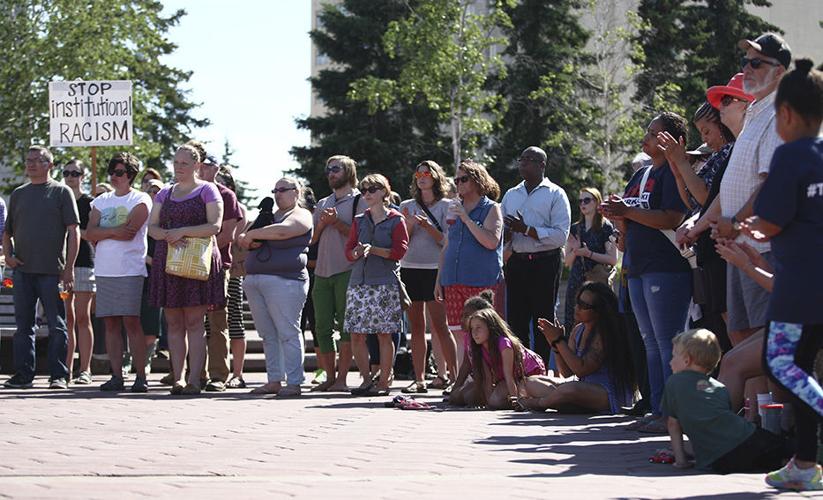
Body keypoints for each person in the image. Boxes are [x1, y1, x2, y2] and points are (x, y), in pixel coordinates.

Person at [744, 58, 823, 491]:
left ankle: (807, 458)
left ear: (787, 115)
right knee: (802, 367)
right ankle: (805, 463)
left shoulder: (791, 155)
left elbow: (770, 222)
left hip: (798, 292)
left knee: (780, 362)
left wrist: (746, 232)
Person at [690, 33, 790, 347]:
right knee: (741, 337)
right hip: (739, 248)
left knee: (761, 341)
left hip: (763, 249)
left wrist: (734, 224)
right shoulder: (755, 117)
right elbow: (733, 188)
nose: (747, 68)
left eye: (757, 62)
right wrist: (702, 225)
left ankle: (777, 400)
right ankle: (755, 401)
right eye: (747, 61)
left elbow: (773, 184)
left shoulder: (777, 116)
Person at [600, 112, 692, 434]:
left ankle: (672, 414)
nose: (646, 138)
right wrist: (616, 215)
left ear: (673, 140)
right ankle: (657, 409)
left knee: (667, 343)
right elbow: (630, 217)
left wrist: (628, 211)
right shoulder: (640, 176)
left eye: (654, 134)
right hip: (636, 266)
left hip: (665, 267)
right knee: (650, 342)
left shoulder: (674, 171)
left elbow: (672, 217)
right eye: (648, 132)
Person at [670, 75, 754, 352]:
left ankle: (766, 395)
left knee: (749, 338)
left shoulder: (737, 148)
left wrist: (681, 163)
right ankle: (751, 396)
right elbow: (701, 203)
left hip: (743, 249)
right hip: (718, 248)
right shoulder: (734, 149)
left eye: (728, 100)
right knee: (735, 334)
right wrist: (678, 168)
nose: (722, 106)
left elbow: (707, 197)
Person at [148, 145, 224, 395]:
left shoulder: (207, 190)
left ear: (196, 165)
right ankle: (177, 378)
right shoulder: (164, 193)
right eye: (175, 162)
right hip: (168, 261)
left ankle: (194, 379)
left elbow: (215, 226)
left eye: (183, 163)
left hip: (196, 262)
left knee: (194, 322)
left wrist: (183, 231)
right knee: (173, 322)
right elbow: (152, 227)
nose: (178, 167)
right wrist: (168, 235)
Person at [3, 146, 79, 390]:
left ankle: (58, 375)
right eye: (29, 160)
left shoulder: (61, 192)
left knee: (57, 324)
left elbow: (73, 231)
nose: (32, 164)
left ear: (50, 165)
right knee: (24, 326)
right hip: (23, 272)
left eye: (38, 160)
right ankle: (23, 375)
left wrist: (69, 268)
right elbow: (7, 231)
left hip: (52, 272)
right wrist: (9, 255)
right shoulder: (18, 194)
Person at [663, 329, 789, 473]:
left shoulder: (673, 383)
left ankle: (781, 461)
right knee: (781, 449)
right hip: (749, 438)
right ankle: (791, 460)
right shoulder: (719, 387)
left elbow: (673, 424)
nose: (670, 362)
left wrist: (681, 461)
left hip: (718, 460)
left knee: (758, 460)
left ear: (687, 360)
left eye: (673, 357)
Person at [238, 177, 312, 397]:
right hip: (255, 279)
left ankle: (295, 381)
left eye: (283, 190)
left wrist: (253, 234)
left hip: (286, 280)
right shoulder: (267, 215)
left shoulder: (302, 214)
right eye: (275, 190)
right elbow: (242, 240)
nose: (277, 194)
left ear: (296, 192)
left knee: (288, 332)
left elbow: (283, 231)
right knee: (267, 334)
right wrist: (250, 236)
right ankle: (273, 380)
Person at [85, 153, 152, 393]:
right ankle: (116, 376)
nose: (114, 176)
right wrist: (113, 230)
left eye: (120, 172)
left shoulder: (140, 198)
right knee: (110, 324)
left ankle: (141, 376)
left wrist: (104, 230)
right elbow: (88, 233)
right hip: (104, 270)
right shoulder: (100, 200)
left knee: (131, 322)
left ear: (131, 175)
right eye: (112, 171)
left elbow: (129, 233)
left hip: (130, 270)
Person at [501, 147, 570, 365]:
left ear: (542, 164)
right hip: (517, 263)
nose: (522, 164)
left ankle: (543, 371)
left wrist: (528, 230)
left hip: (545, 263)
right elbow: (500, 233)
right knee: (516, 321)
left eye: (529, 160)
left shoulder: (555, 194)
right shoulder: (511, 195)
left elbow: (560, 236)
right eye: (521, 159)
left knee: (543, 320)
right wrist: (508, 233)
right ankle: (522, 370)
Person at [523, 282, 636, 414]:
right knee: (531, 382)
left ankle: (540, 403)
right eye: (577, 302)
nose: (577, 308)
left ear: (599, 311)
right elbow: (567, 372)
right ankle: (565, 403)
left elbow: (581, 370)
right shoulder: (578, 330)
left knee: (569, 390)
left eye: (584, 306)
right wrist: (555, 345)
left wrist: (559, 341)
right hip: (581, 388)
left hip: (605, 392)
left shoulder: (604, 334)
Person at [344, 174, 409, 396]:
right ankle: (365, 380)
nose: (367, 194)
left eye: (372, 189)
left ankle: (384, 381)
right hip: (359, 281)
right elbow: (349, 250)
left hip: (384, 281)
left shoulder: (396, 219)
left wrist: (374, 249)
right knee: (356, 334)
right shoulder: (359, 220)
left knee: (384, 334)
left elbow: (400, 252)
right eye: (364, 190)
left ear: (384, 191)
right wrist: (355, 252)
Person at [435, 160, 504, 368]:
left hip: (481, 281)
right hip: (452, 280)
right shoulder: (454, 208)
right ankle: (463, 382)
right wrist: (438, 280)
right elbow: (447, 245)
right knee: (458, 333)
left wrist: (466, 219)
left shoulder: (491, 209)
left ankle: (486, 380)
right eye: (456, 180)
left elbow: (491, 242)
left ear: (477, 180)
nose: (458, 184)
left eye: (463, 179)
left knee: (483, 333)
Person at [398, 161, 457, 393]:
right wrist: (411, 226)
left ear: (435, 177)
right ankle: (420, 379)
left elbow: (446, 241)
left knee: (441, 326)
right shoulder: (406, 205)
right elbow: (403, 242)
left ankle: (454, 377)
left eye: (427, 173)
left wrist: (428, 227)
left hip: (435, 269)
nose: (422, 177)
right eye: (418, 173)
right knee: (416, 326)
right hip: (410, 268)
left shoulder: (447, 205)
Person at [310, 155, 367, 392]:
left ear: (348, 172)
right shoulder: (323, 202)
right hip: (322, 272)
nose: (331, 173)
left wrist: (335, 223)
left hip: (347, 271)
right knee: (321, 327)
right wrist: (323, 224)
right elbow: (311, 238)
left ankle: (342, 379)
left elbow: (362, 238)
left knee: (346, 327)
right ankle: (329, 378)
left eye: (336, 169)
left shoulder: (360, 201)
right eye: (328, 169)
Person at [191, 146, 242, 393]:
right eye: (201, 163)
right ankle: (194, 374)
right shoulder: (186, 193)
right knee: (191, 320)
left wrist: (197, 250)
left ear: (216, 168)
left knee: (216, 320)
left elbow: (228, 235)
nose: (204, 168)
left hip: (217, 266)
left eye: (210, 165)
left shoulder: (226, 195)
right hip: (186, 267)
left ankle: (218, 375)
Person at [451, 308, 545, 410]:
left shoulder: (503, 343)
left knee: (496, 402)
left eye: (479, 328)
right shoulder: (480, 348)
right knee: (464, 396)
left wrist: (515, 401)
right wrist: (487, 404)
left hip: (527, 373)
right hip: (506, 379)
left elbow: (509, 375)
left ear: (490, 327)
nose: (474, 332)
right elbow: (487, 379)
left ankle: (526, 401)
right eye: (472, 328)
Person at [60, 159, 96, 385]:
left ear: (83, 176)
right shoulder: (58, 199)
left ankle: (86, 369)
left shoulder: (90, 202)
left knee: (83, 317)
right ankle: (66, 369)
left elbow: (93, 234)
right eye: (66, 172)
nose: (70, 176)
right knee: (67, 319)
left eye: (75, 172)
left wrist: (74, 232)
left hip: (84, 262)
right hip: (61, 264)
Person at [562, 187, 617, 334]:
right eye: (580, 201)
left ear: (597, 202)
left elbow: (612, 259)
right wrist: (575, 250)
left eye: (587, 200)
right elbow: (567, 262)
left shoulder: (605, 227)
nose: (583, 204)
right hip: (576, 281)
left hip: (596, 282)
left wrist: (588, 253)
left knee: (600, 322)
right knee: (572, 323)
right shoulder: (574, 228)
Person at [217, 165, 248, 389]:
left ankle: (237, 373)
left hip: (233, 270)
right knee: (209, 326)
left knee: (234, 321)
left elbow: (233, 237)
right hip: (206, 269)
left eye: (222, 184)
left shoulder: (238, 208)